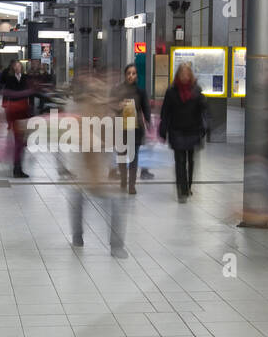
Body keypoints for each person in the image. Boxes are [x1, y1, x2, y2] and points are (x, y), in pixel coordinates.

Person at [68, 71, 126, 258]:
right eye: (96, 91)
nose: (100, 94)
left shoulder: (106, 111)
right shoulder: (81, 109)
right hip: (84, 171)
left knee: (115, 203)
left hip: (100, 171)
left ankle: (116, 246)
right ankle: (78, 237)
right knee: (78, 200)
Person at [158, 62, 208, 203]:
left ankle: (188, 186)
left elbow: (203, 110)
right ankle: (182, 190)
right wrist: (163, 129)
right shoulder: (171, 91)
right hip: (177, 131)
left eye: (187, 74)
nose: (185, 76)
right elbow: (166, 112)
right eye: (182, 74)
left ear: (190, 75)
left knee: (190, 162)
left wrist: (205, 125)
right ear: (178, 75)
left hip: (193, 131)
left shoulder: (196, 90)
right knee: (180, 162)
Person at [110, 63, 150, 195]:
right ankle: (123, 179)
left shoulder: (140, 91)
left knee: (134, 157)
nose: (131, 76)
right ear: (125, 75)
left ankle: (131, 185)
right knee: (121, 156)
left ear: (137, 76)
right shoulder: (117, 90)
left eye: (133, 73)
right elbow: (110, 105)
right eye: (129, 73)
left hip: (135, 128)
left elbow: (145, 108)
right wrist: (119, 105)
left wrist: (148, 122)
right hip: (121, 128)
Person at [0, 58, 32, 178]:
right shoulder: (10, 79)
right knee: (19, 142)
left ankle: (18, 168)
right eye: (15, 66)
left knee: (21, 142)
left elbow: (30, 93)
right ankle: (17, 169)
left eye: (19, 66)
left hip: (23, 111)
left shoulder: (25, 78)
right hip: (15, 112)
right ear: (13, 68)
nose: (17, 68)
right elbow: (6, 93)